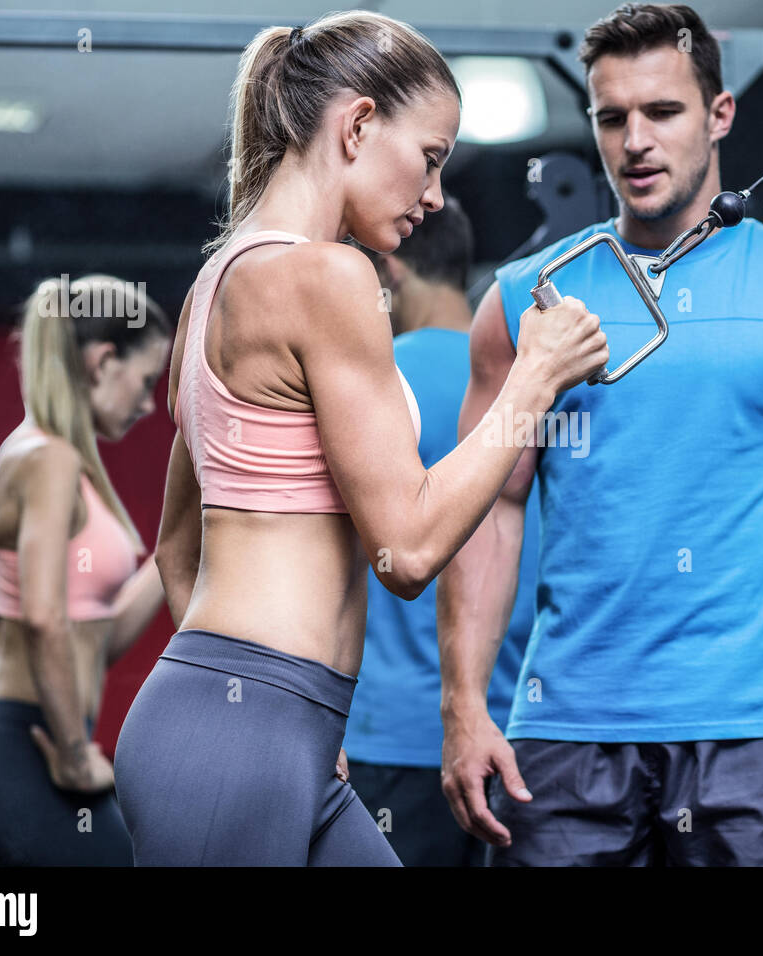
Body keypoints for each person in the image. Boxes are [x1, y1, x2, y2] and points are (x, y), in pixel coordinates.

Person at [112, 11, 607, 866]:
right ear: (358, 125)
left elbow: (176, 554)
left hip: (259, 729)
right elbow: (407, 552)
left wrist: (289, 724)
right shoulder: (325, 276)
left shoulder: (215, 285)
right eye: (432, 158)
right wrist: (535, 380)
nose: (436, 196)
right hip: (244, 740)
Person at [438, 2, 763, 866]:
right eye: (612, 117)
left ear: (720, 114)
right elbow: (490, 512)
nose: (635, 142)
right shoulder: (526, 299)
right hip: (567, 727)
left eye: (662, 112)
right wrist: (464, 704)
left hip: (752, 729)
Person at [0, 274, 172, 866]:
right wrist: (71, 749)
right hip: (21, 746)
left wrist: (175, 554)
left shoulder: (45, 455)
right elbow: (42, 616)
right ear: (103, 361)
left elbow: (96, 638)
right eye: (143, 383)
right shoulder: (50, 459)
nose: (146, 405)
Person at [344, 194, 540, 866]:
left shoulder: (369, 385)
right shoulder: (528, 386)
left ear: (390, 273)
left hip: (390, 739)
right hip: (516, 735)